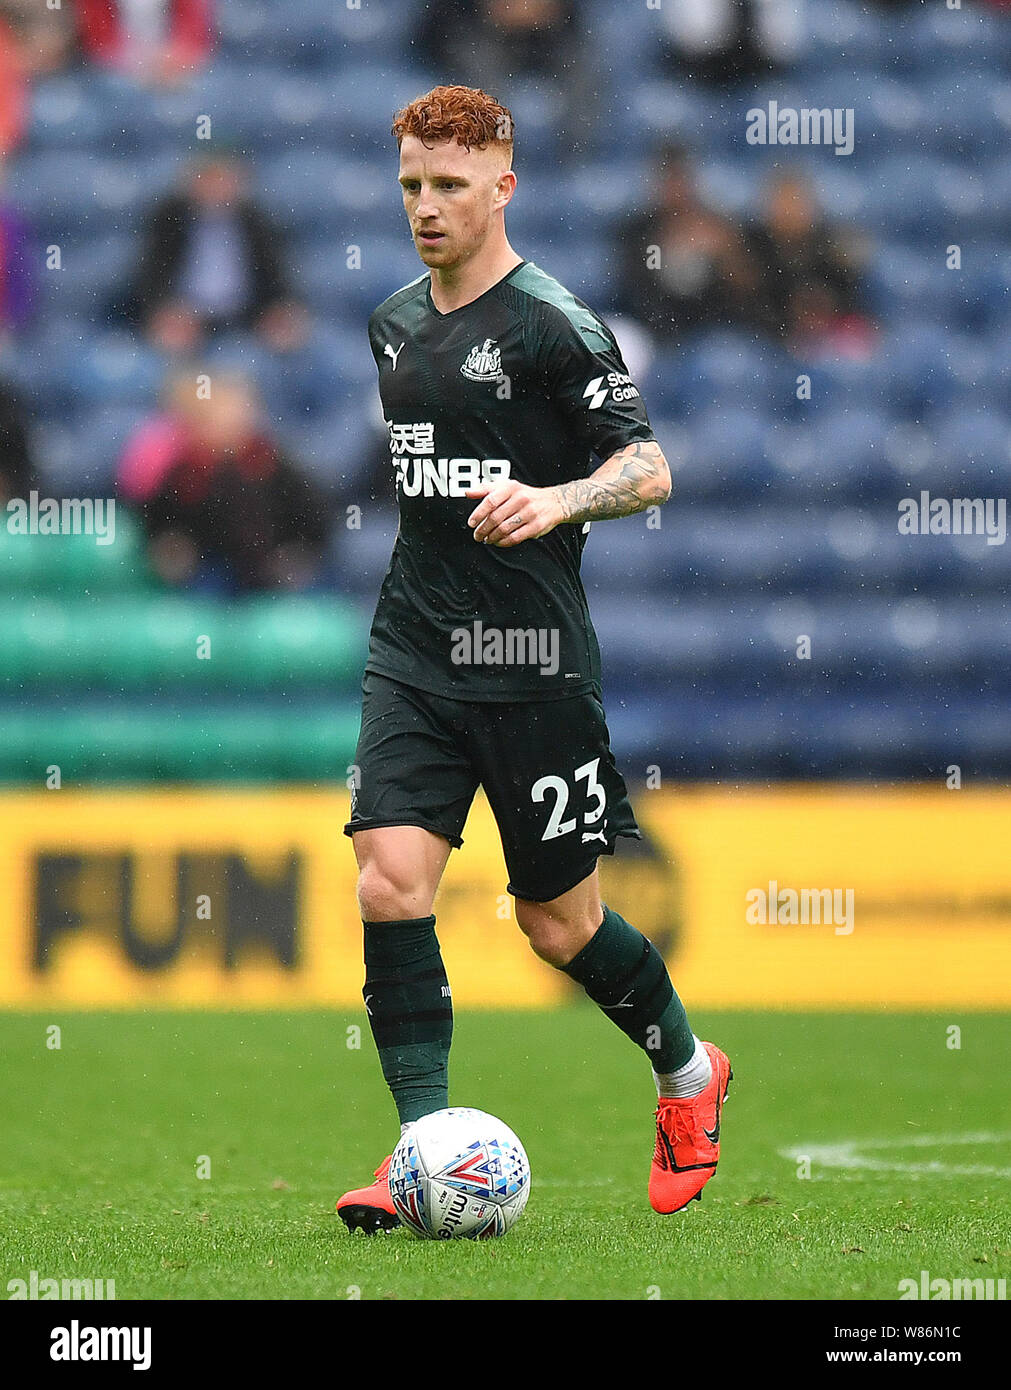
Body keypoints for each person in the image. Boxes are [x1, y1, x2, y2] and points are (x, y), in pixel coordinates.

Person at [335, 86, 732, 1233]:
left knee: (555, 923)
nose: (426, 204)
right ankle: (419, 1148)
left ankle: (689, 1076)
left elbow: (649, 469)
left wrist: (555, 498)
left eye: (450, 185)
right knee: (387, 880)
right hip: (414, 649)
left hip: (533, 661)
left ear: (504, 187)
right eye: (411, 182)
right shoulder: (393, 324)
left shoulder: (556, 322)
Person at [118, 369, 328, 591]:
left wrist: (296, 551)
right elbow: (161, 521)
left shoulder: (268, 462)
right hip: (208, 574)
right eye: (214, 417)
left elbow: (313, 517)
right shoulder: (189, 471)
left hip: (268, 574)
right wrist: (172, 544)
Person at [123, 150, 306, 355]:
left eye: (223, 178)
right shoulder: (168, 219)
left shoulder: (258, 221)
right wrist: (163, 312)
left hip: (247, 320)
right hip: (183, 318)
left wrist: (278, 312)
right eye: (209, 178)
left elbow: (277, 277)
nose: (216, 187)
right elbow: (149, 276)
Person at [613, 142, 766, 343]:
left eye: (680, 179)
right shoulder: (638, 232)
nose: (675, 189)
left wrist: (726, 254)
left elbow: (750, 290)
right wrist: (666, 251)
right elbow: (639, 292)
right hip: (656, 332)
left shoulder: (717, 226)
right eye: (668, 180)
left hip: (715, 329)